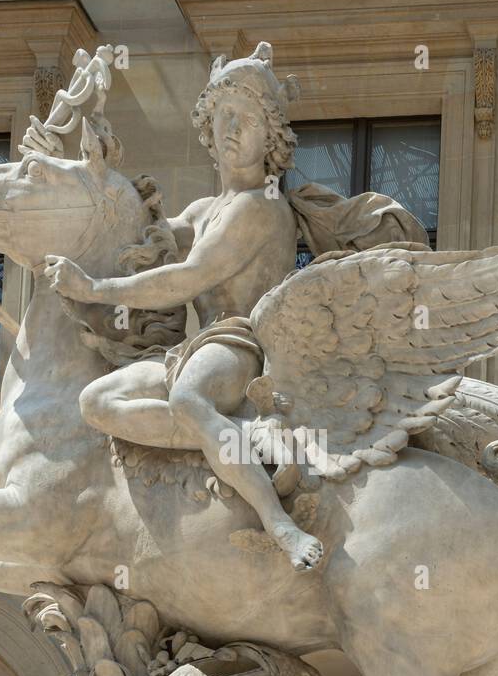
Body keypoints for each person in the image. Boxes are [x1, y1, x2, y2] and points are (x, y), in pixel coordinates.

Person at [44, 43, 325, 571]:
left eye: (245, 118)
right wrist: (90, 170)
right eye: (221, 117)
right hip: (193, 350)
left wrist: (94, 290)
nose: (231, 129)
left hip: (241, 345)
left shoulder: (261, 207)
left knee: (192, 399)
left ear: (272, 138)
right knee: (97, 402)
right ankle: (225, 440)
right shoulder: (203, 210)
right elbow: (136, 234)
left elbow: (185, 279)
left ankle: (277, 521)